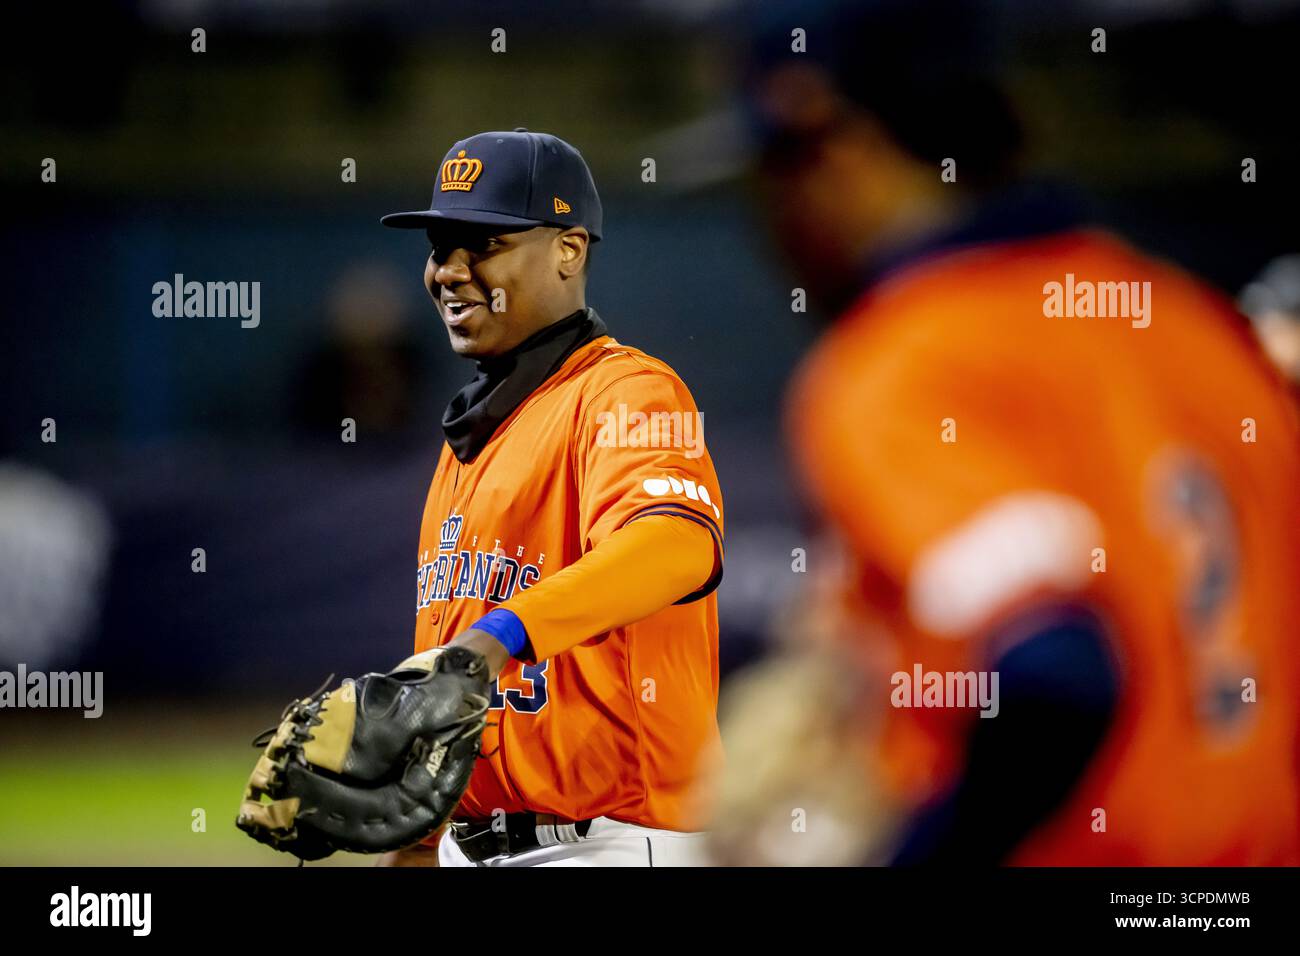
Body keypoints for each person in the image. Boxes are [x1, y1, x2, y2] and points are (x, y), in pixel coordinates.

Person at [708, 0, 1300, 865]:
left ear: (831, 142)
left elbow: (1053, 671)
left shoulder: (905, 362)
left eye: (769, 176)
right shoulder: (1196, 325)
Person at [375, 129, 724, 866]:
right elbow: (455, 688)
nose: (450, 272)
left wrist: (494, 639)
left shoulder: (628, 392)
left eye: (485, 244)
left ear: (569, 249)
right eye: (440, 248)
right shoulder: (471, 434)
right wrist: (420, 833)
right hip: (470, 846)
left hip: (610, 843)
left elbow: (677, 544)